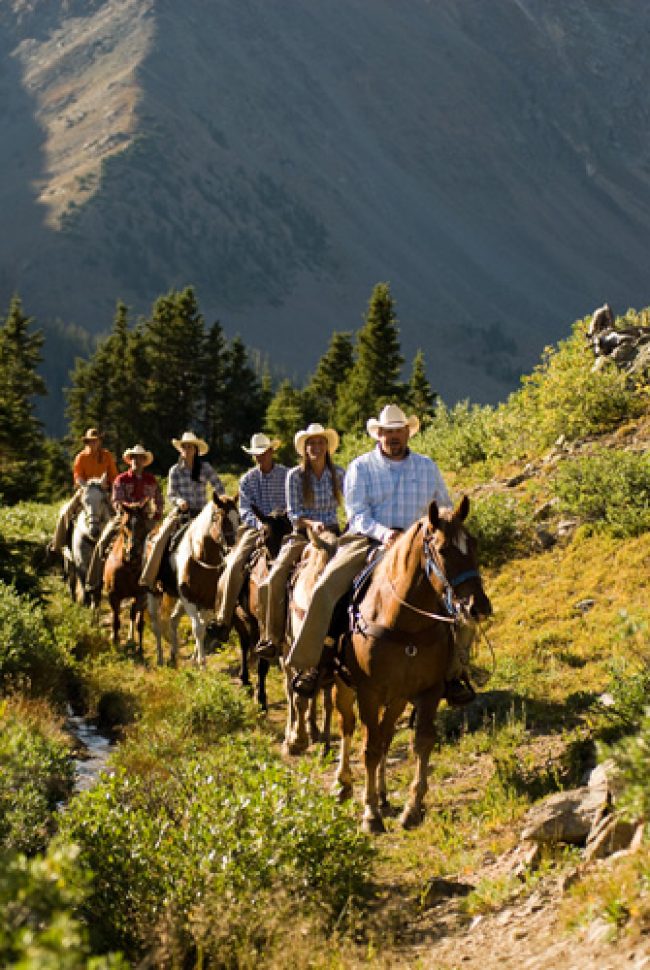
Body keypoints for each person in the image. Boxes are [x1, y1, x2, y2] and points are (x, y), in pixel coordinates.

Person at [287, 404, 472, 702]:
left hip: (420, 545)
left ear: (407, 433)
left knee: (463, 594)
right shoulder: (361, 466)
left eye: (398, 431)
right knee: (326, 587)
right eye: (388, 432)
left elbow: (444, 504)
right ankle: (314, 661)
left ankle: (454, 672)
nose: (393, 436)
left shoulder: (427, 467)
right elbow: (357, 514)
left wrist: (445, 526)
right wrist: (386, 534)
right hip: (370, 540)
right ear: (379, 434)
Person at [255, 422, 344, 660]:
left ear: (327, 447)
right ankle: (272, 637)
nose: (315, 447)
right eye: (311, 443)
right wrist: (311, 523)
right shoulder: (295, 476)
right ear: (304, 449)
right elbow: (294, 514)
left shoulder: (340, 474)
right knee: (273, 578)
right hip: (303, 535)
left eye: (320, 442)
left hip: (333, 533)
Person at [211, 433, 288, 640]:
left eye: (263, 453)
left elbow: (293, 503)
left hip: (284, 526)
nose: (260, 457)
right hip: (256, 527)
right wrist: (261, 524)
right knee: (235, 563)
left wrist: (281, 521)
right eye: (256, 454)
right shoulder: (247, 479)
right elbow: (244, 510)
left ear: (271, 451)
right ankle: (223, 618)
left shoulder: (287, 475)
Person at [139, 431, 225, 589]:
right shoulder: (175, 470)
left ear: (195, 449)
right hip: (183, 513)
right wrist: (180, 501)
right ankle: (152, 577)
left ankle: (224, 578)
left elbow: (218, 485)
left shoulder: (205, 467)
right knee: (162, 539)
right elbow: (171, 494)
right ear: (180, 449)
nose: (187, 449)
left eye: (190, 447)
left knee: (225, 535)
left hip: (203, 513)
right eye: (184, 447)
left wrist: (222, 501)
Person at [85, 444, 163, 593]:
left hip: (145, 518)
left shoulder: (150, 480)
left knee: (160, 545)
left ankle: (159, 582)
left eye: (140, 458)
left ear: (144, 461)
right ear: (130, 460)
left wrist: (157, 513)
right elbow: (116, 501)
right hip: (124, 516)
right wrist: (127, 508)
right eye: (134, 457)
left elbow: (159, 499)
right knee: (102, 542)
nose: (136, 461)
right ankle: (94, 582)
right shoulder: (121, 479)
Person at [50, 428, 118, 554]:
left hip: (104, 491)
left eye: (96, 441)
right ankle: (57, 545)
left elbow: (114, 476)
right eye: (91, 441)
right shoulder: (81, 457)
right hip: (85, 490)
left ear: (99, 442)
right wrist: (84, 484)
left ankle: (119, 545)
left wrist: (111, 489)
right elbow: (77, 476)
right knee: (66, 511)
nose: (93, 444)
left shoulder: (107, 456)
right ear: (87, 442)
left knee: (119, 515)